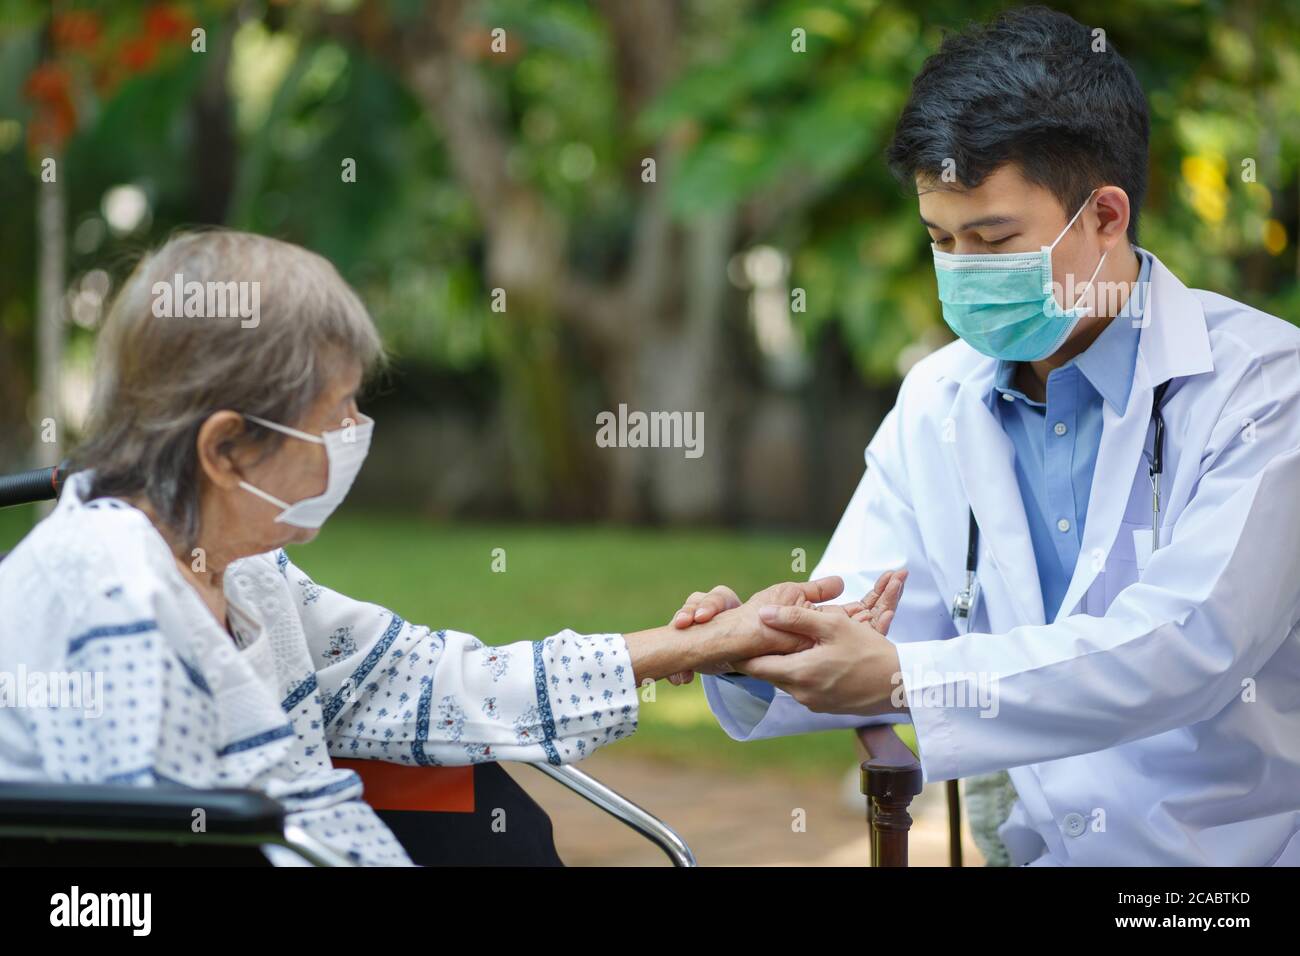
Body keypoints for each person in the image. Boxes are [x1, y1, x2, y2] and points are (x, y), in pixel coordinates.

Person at [0, 230, 875, 866]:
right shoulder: (114, 607)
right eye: (334, 412)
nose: (357, 430)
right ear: (227, 448)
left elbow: (425, 682)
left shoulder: (244, 570)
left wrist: (706, 644)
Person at [675, 6, 1300, 866]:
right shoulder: (938, 400)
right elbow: (869, 615)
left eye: (993, 239)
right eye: (941, 240)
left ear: (1107, 216)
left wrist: (901, 678)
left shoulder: (1265, 388)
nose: (963, 271)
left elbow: (1188, 650)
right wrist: (755, 645)